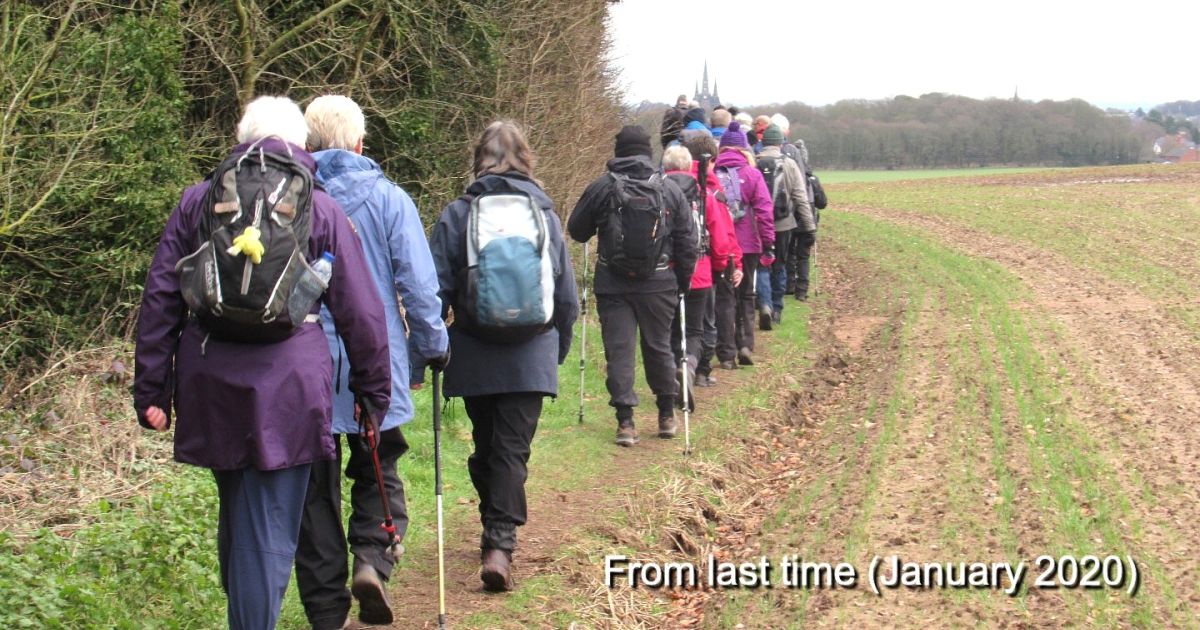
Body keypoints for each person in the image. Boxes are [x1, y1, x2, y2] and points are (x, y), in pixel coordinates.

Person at [133, 96, 391, 630]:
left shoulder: (198, 202)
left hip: (210, 378)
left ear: (239, 138)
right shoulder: (321, 208)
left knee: (241, 510)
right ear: (302, 145)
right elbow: (362, 310)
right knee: (269, 530)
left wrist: (153, 390)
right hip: (291, 385)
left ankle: (246, 608)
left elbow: (161, 296)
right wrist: (373, 393)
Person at [293, 95, 450, 628]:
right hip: (372, 364)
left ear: (306, 145)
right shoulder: (389, 199)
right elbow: (419, 287)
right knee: (379, 468)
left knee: (314, 491)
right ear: (361, 144)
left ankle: (324, 606)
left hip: (303, 366)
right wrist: (433, 347)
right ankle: (372, 559)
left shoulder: (291, 198)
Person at [428, 120, 578, 591]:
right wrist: (557, 348)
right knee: (510, 451)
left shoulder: (457, 214)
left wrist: (431, 348)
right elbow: (567, 294)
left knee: (487, 447)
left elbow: (436, 289)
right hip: (531, 351)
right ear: (526, 159)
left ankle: (494, 532)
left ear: (478, 159)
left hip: (474, 351)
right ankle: (499, 543)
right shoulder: (544, 214)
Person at [568, 125, 697, 446]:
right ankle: (666, 415)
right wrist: (682, 282)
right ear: (647, 151)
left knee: (620, 351)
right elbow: (687, 241)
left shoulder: (602, 187)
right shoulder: (669, 190)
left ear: (618, 152)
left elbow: (577, 231)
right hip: (660, 281)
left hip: (614, 283)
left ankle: (625, 422)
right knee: (659, 347)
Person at [663, 144, 742, 396]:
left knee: (672, 328)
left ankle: (676, 368)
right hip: (700, 272)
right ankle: (691, 367)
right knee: (696, 328)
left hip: (664, 272)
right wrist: (723, 268)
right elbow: (719, 237)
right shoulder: (705, 194)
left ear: (665, 167)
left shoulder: (657, 192)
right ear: (688, 166)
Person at [712, 121, 773, 366]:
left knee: (724, 297)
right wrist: (768, 244)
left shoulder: (712, 173)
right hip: (748, 243)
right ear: (744, 149)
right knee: (746, 294)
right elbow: (764, 211)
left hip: (720, 244)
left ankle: (726, 353)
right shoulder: (752, 173)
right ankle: (745, 344)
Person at [754, 123, 815, 329]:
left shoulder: (753, 163)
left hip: (758, 225)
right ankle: (777, 309)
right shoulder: (789, 164)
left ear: (763, 141)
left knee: (762, 266)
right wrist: (809, 226)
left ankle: (765, 304)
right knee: (779, 265)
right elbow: (800, 196)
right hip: (783, 224)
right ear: (781, 142)